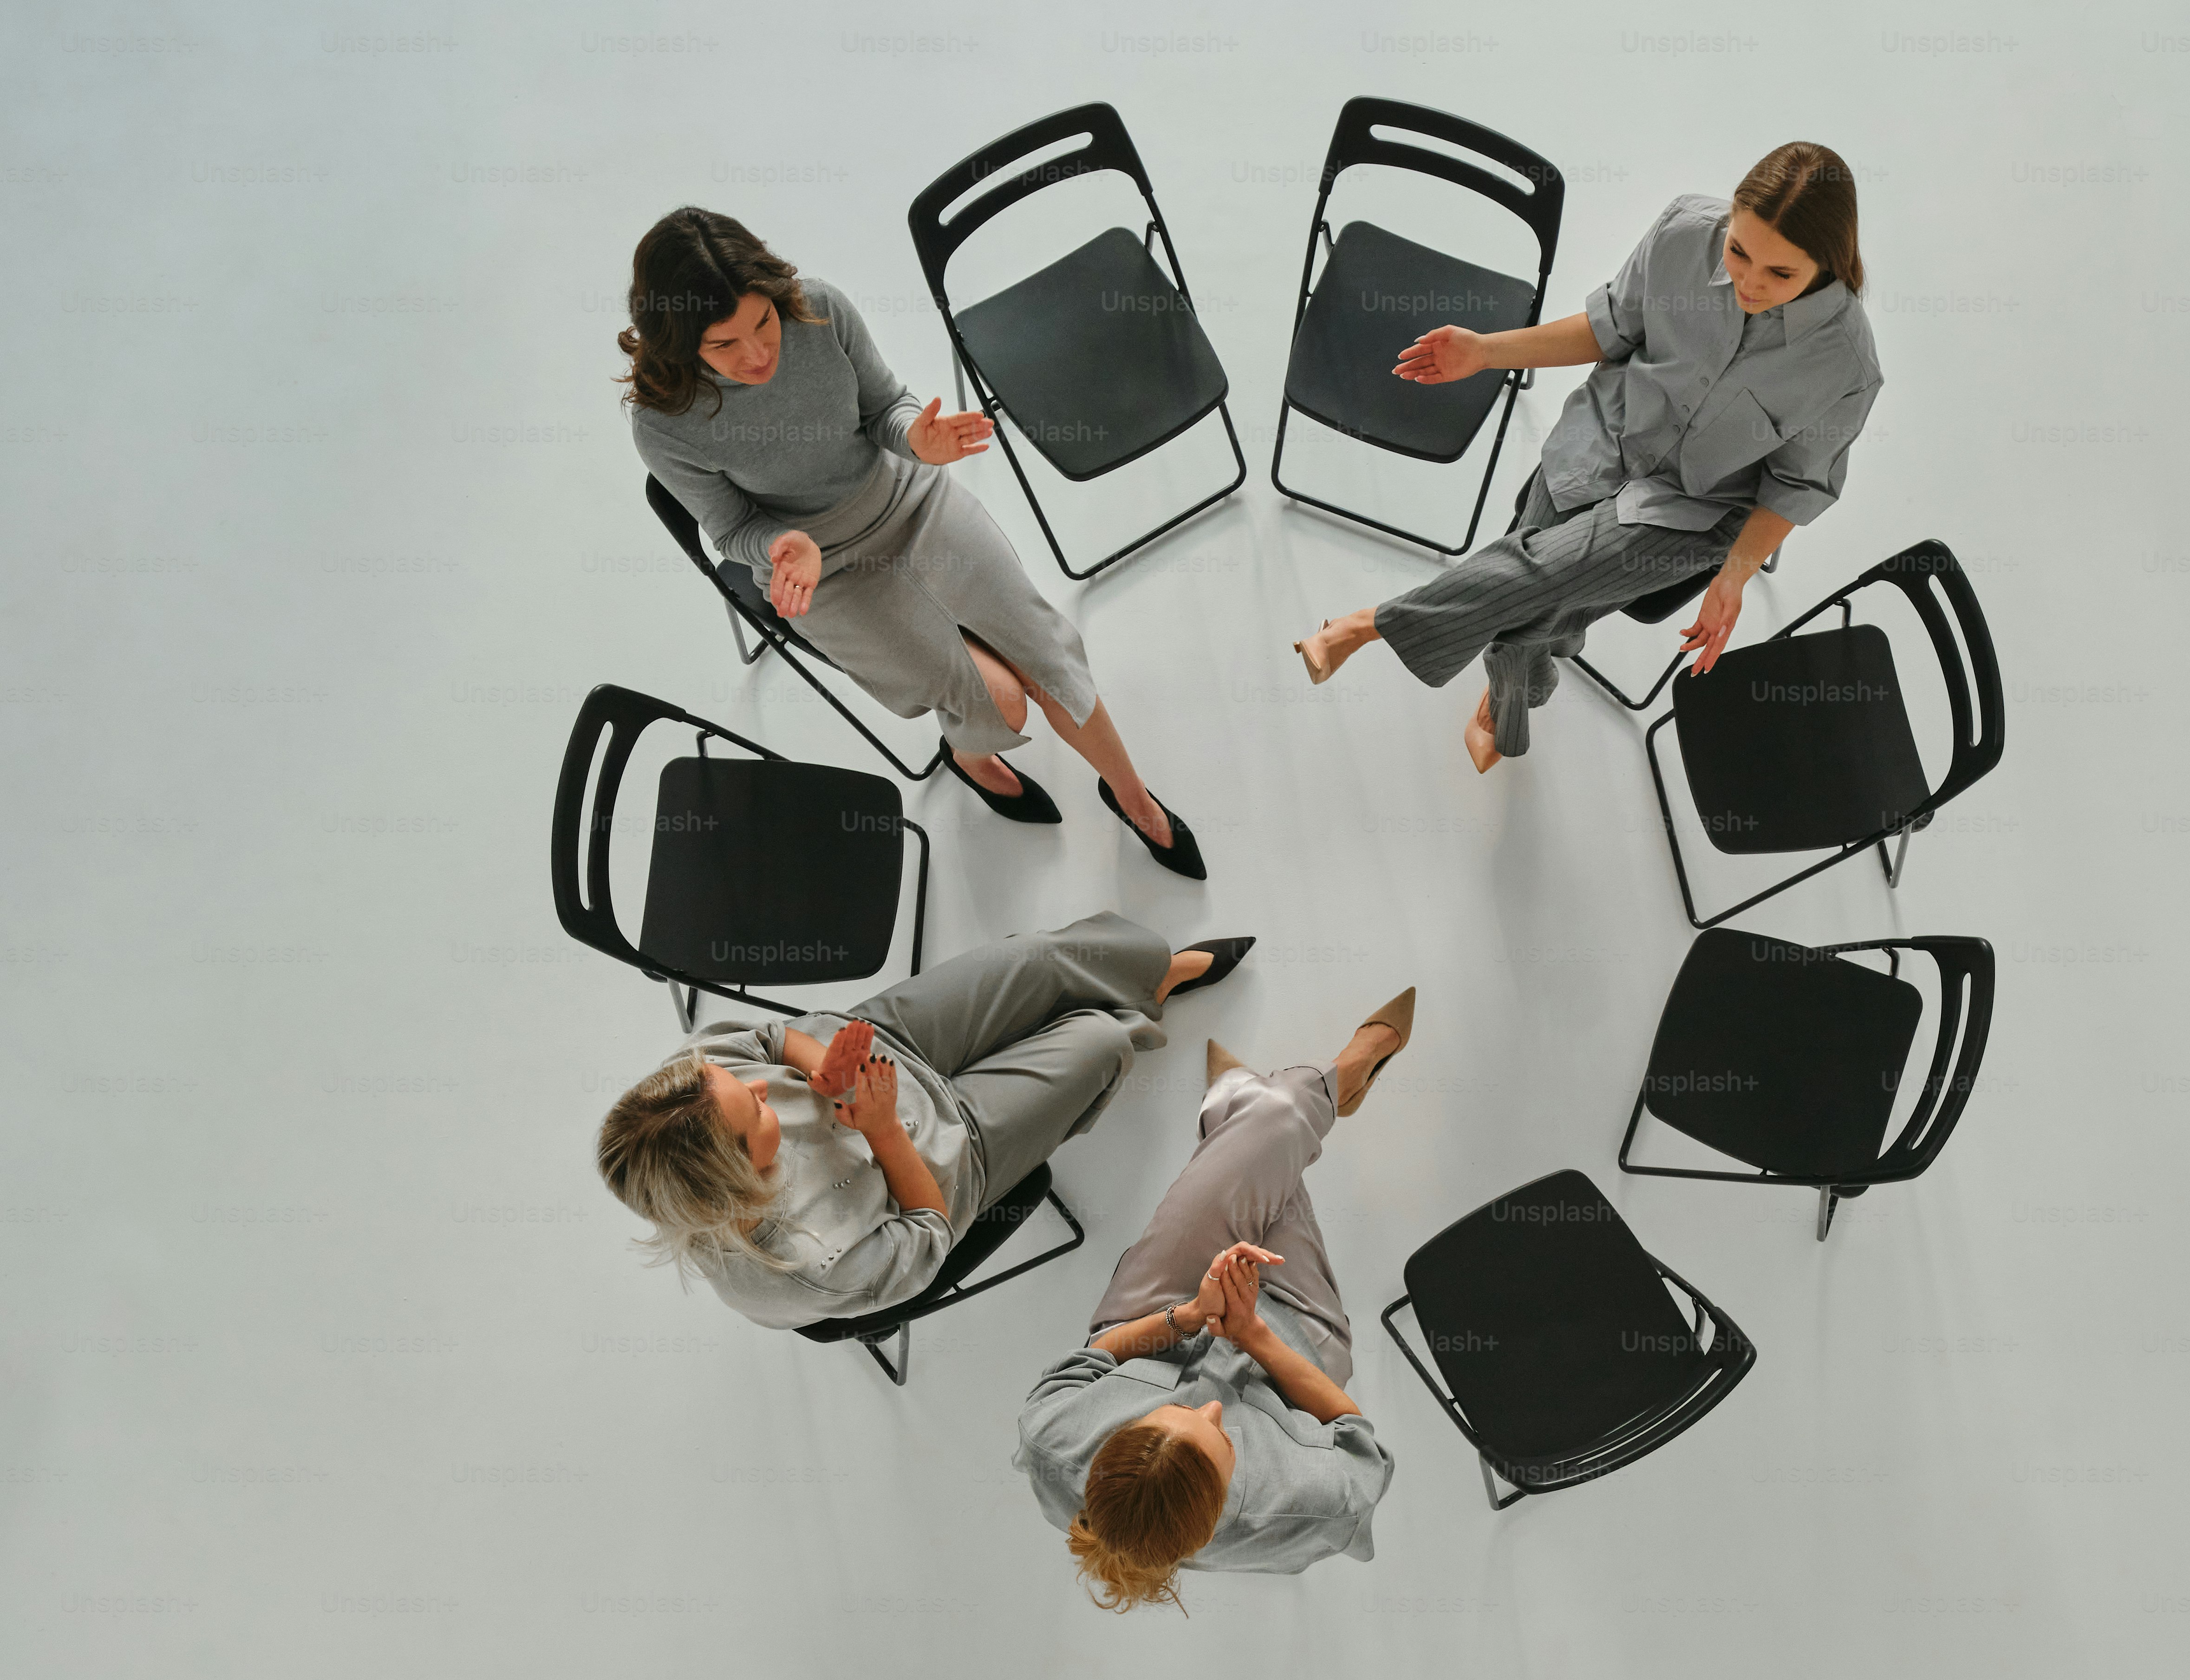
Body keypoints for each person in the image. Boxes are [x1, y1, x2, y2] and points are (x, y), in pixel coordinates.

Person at [620, 208, 1207, 879]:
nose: (757, 354)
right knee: (1000, 700)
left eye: (763, 323)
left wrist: (916, 439)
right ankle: (969, 757)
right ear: (677, 342)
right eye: (724, 345)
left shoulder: (821, 311)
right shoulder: (664, 423)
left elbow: (884, 408)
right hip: (825, 572)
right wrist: (785, 544)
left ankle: (1134, 800)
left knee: (1047, 653)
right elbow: (729, 529)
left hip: (912, 501)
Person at [1293, 142, 1883, 772]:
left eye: (1780, 275)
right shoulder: (1686, 231)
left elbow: (1795, 490)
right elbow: (1608, 330)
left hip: (1695, 510)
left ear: (1828, 262)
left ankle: (1370, 625)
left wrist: (1735, 574)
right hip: (1606, 434)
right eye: (1739, 251)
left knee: (1538, 579)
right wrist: (1485, 352)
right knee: (1534, 598)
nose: (1748, 282)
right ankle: (1514, 704)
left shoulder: (1846, 367)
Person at [594, 915, 1252, 1329]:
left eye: (742, 1086)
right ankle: (1142, 1005)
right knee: (1101, 1043)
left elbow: (769, 1040)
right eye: (758, 1110)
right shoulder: (804, 1267)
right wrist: (882, 1130)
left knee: (1042, 957)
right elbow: (930, 1232)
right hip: (957, 1152)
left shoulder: (691, 1089)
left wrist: (828, 1069)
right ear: (737, 1182)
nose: (764, 1090)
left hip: (885, 1040)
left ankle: (1155, 974)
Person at [1013, 990, 1416, 1609]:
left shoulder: (1053, 1441)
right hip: (1297, 1337)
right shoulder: (1311, 1506)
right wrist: (1254, 1334)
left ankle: (1251, 1105)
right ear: (1230, 1499)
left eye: (1166, 1412)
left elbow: (1096, 1357)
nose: (1209, 1407)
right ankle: (1295, 1088)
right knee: (1271, 1122)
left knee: (1268, 1123)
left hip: (1163, 1308)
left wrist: (1193, 1316)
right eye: (1223, 1439)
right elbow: (1351, 1428)